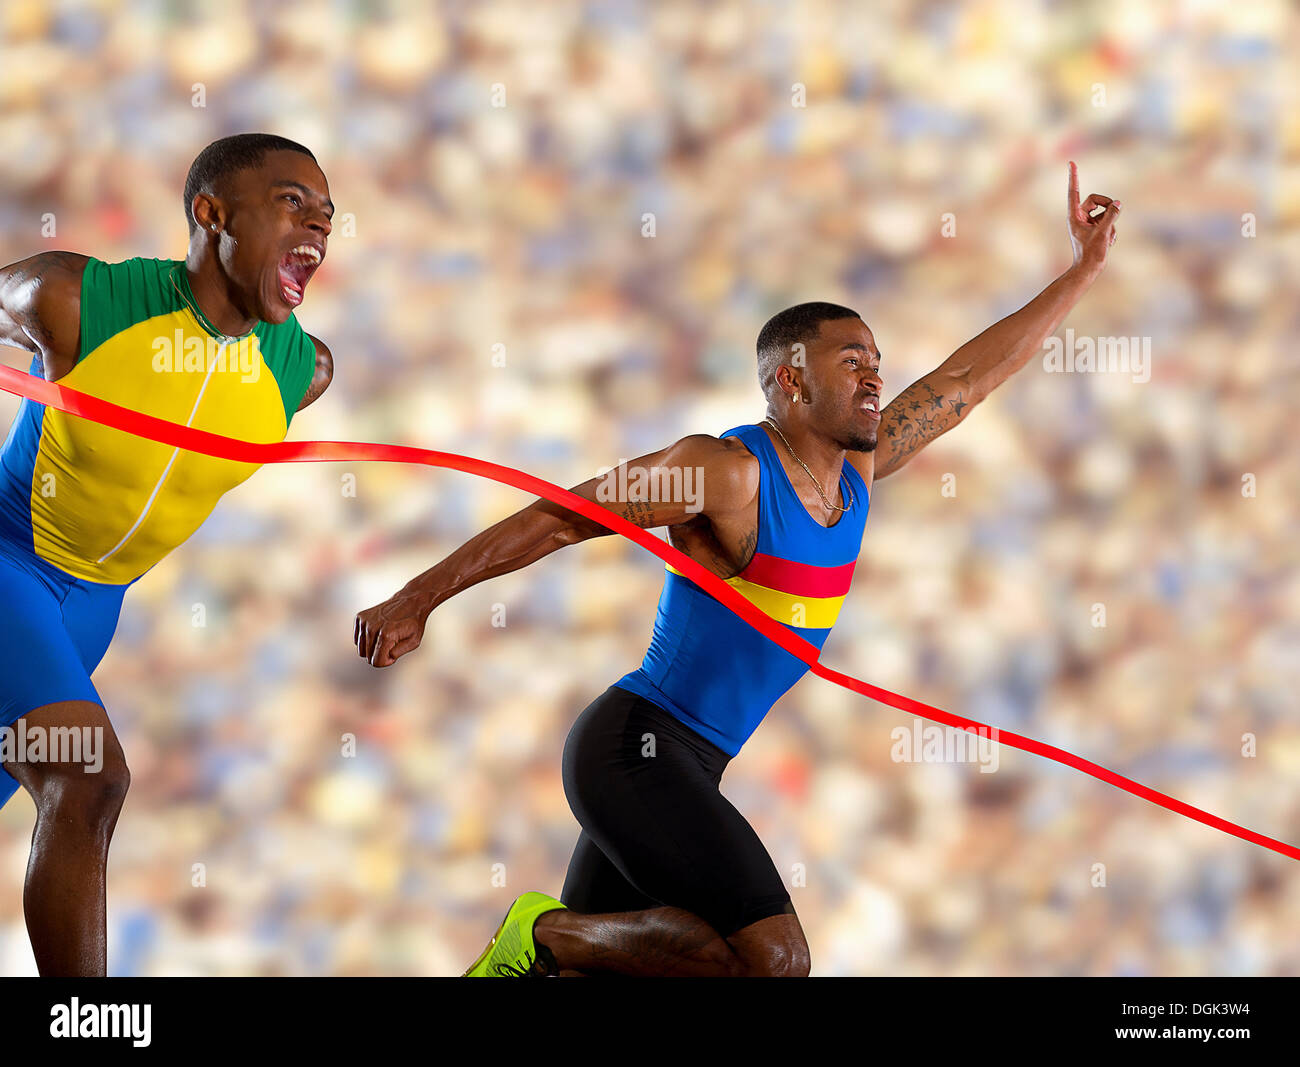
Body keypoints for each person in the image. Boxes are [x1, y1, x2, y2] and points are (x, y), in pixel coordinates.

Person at [355, 163, 1120, 976]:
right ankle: (537, 932)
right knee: (773, 960)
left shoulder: (857, 475)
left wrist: (1082, 270)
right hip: (634, 746)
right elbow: (562, 516)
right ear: (790, 380)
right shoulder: (725, 474)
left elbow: (966, 382)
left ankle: (549, 956)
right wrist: (419, 594)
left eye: (878, 359)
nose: (876, 374)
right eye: (852, 360)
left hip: (694, 764)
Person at [0, 133, 335, 976]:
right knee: (87, 779)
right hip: (9, 560)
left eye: (328, 216)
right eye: (293, 202)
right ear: (211, 214)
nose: (319, 228)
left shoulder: (302, 372)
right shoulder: (74, 298)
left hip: (94, 610)